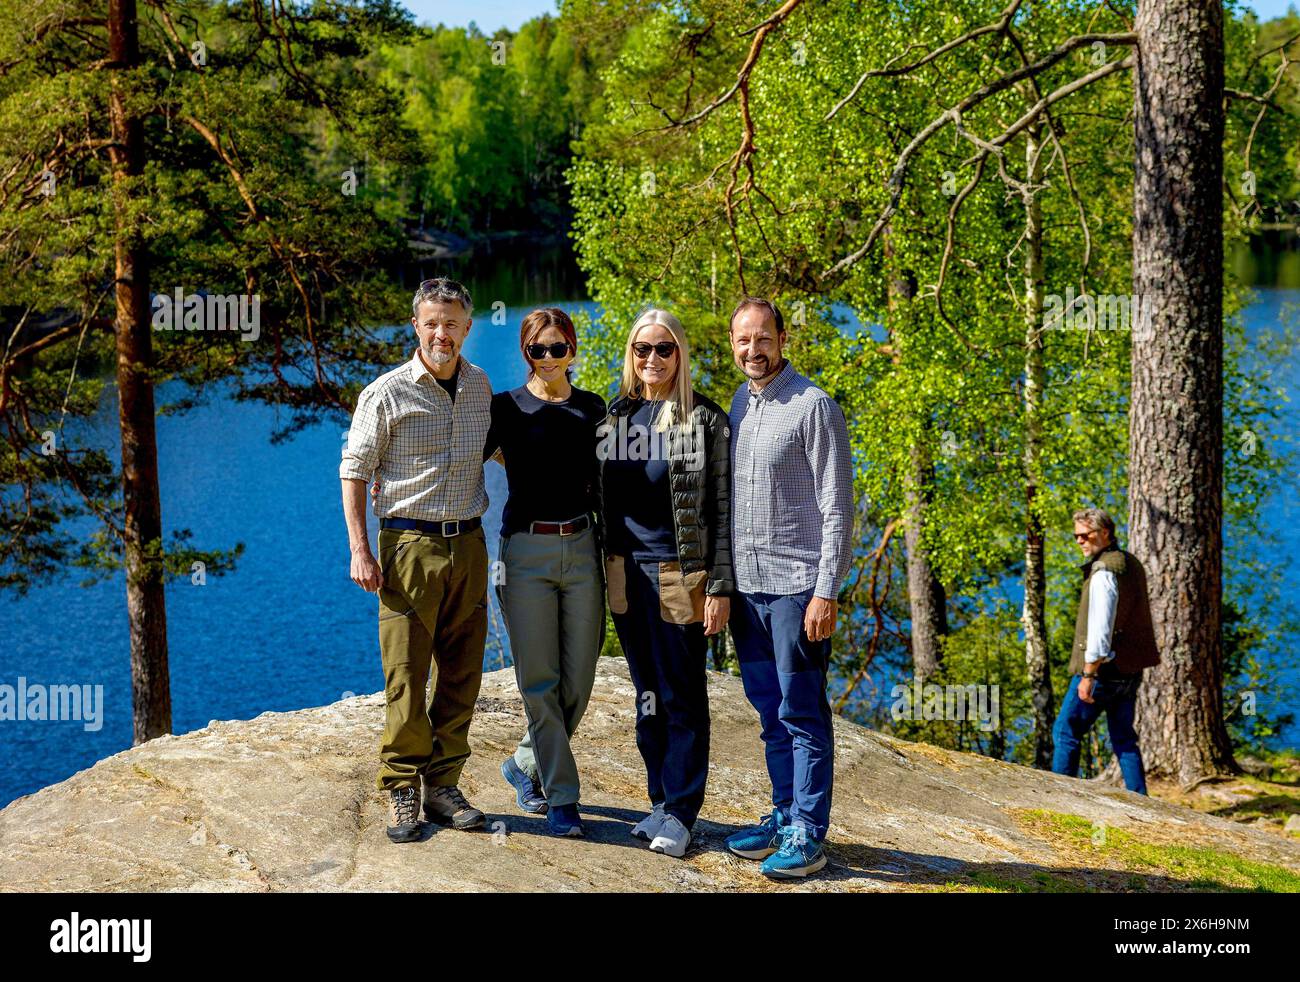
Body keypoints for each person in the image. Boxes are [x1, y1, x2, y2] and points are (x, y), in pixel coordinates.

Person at [340, 277, 492, 843]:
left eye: (451, 323)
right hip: (407, 546)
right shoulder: (386, 393)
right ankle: (402, 786)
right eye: (431, 322)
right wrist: (359, 549)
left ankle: (443, 784)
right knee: (406, 672)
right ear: (416, 327)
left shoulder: (480, 387)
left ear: (467, 329)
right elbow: (353, 471)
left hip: (469, 545)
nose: (441, 333)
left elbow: (504, 449)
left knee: (462, 671)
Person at [724, 297, 853, 879]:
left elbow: (837, 506)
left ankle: (809, 832)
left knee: (802, 712)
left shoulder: (813, 406)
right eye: (743, 341)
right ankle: (782, 814)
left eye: (763, 339)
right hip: (748, 593)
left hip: (797, 589)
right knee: (768, 711)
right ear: (733, 345)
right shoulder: (739, 406)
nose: (754, 350)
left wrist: (826, 590)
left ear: (782, 338)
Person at [598, 307, 733, 858]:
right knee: (646, 694)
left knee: (682, 694)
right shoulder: (616, 415)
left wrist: (721, 586)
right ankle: (658, 800)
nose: (651, 358)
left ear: (680, 354)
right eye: (641, 349)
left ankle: (682, 811)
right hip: (624, 575)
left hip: (681, 577)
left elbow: (724, 509)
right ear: (631, 356)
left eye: (663, 348)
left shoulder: (706, 420)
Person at [485, 307, 607, 838]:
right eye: (538, 349)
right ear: (526, 352)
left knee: (578, 677)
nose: (549, 357)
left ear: (572, 350)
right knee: (540, 681)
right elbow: (462, 456)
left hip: (582, 547)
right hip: (525, 555)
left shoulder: (592, 409)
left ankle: (524, 762)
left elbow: (608, 481)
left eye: (558, 348)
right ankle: (562, 798)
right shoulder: (505, 409)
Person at [1051, 507, 1160, 794]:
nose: (1079, 541)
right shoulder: (1130, 563)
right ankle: (1141, 799)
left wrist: (1088, 674)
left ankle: (1060, 799)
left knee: (1066, 732)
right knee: (1124, 738)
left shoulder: (1103, 572)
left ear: (1105, 533)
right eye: (1076, 536)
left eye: (1085, 535)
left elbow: (1101, 629)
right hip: (1129, 670)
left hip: (1102, 672)